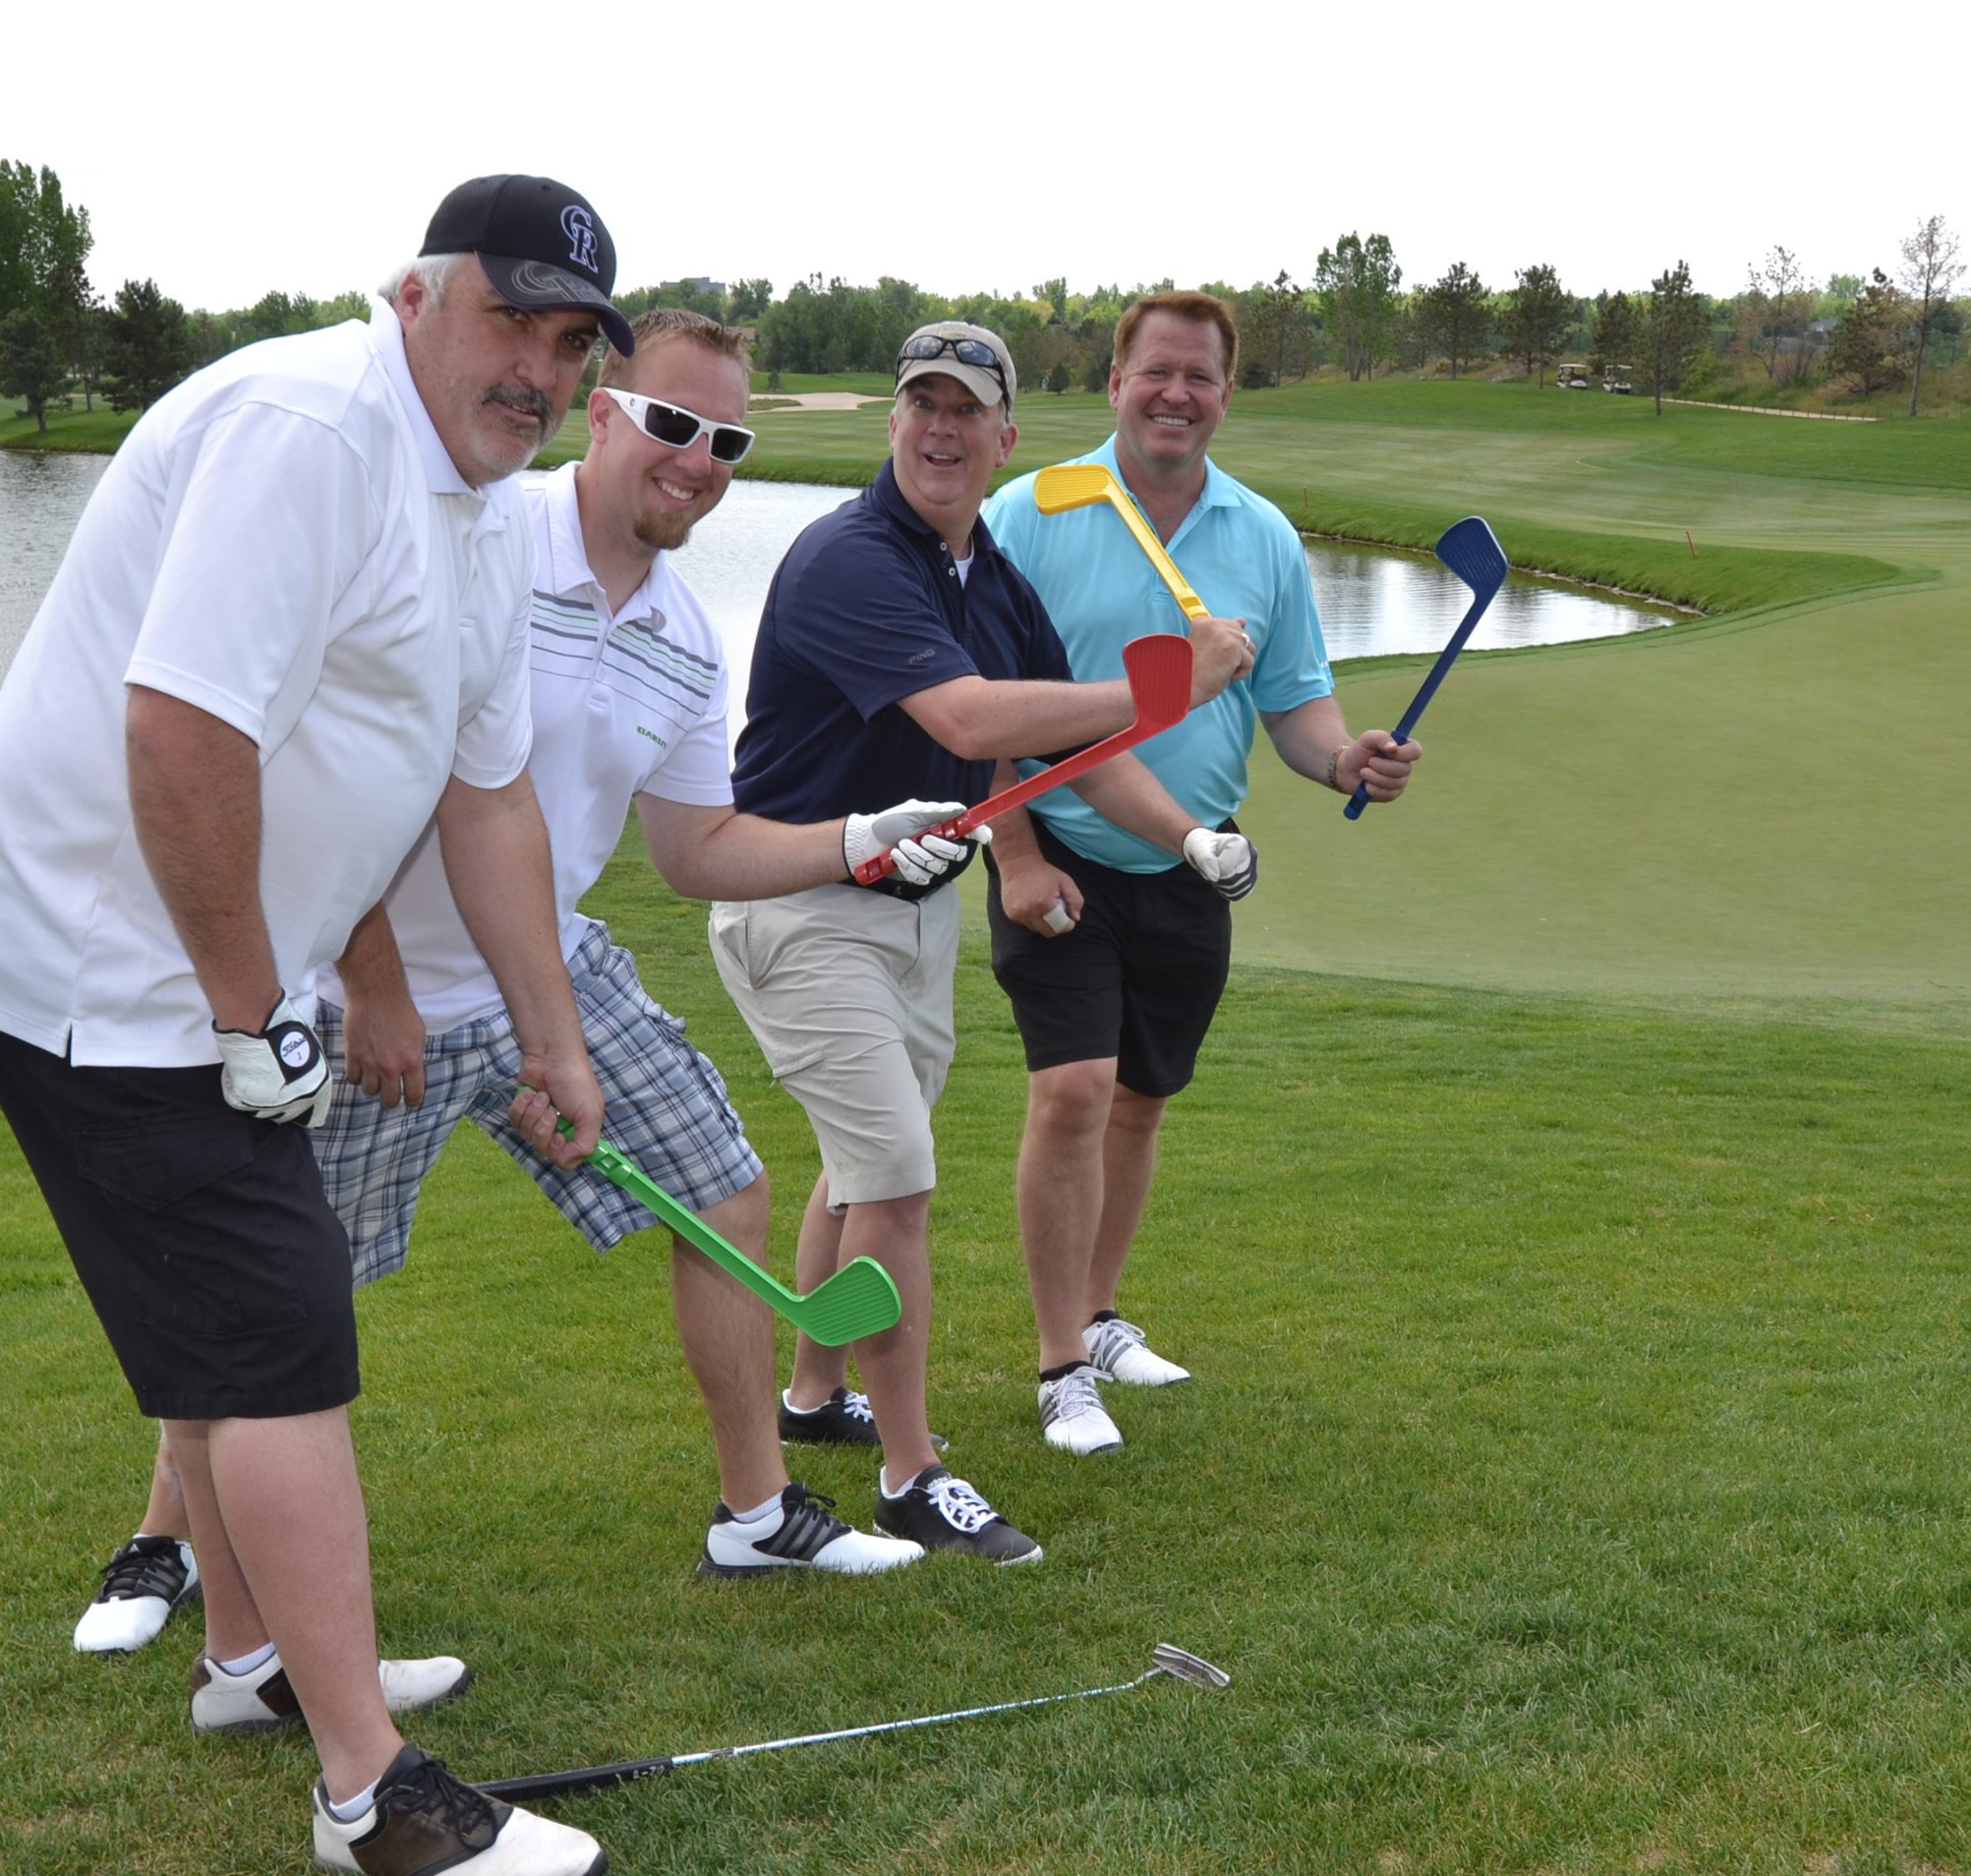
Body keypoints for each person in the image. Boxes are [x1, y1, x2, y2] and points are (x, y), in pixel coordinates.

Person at [70, 308, 973, 1637]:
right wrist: (373, 977)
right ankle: (164, 1544)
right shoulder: (487, 540)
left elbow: (698, 847)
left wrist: (857, 843)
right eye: (673, 423)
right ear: (604, 413)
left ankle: (757, 1512)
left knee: (721, 1188)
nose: (698, 460)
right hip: (361, 982)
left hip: (545, 973)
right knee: (268, 1289)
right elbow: (345, 762)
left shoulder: (683, 629)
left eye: (727, 439)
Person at [0, 172, 639, 1876]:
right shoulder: (310, 424)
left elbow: (486, 793)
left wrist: (550, 1035)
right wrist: (243, 1008)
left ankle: (242, 1658)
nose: (541, 366)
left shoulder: (481, 505)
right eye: (513, 316)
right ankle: (370, 1794)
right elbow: (182, 728)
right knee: (279, 1338)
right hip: (103, 971)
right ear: (416, 291)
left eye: (573, 339)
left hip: (206, 978)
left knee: (234, 1338)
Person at [710, 322, 1254, 1564]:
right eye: (920, 406)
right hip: (799, 899)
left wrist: (1185, 841)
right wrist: (1167, 687)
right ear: (895, 421)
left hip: (912, 910)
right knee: (896, 1180)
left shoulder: (987, 576)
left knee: (862, 1164)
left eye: (966, 410)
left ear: (1007, 436)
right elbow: (961, 717)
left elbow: (1060, 755)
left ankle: (811, 1397)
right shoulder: (852, 557)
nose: (940, 430)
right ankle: (912, 1474)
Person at [980, 291, 1422, 1456]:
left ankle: (1099, 1308)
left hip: (1194, 861)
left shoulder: (1262, 536)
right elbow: (974, 707)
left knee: (1137, 1101)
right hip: (1057, 846)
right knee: (1071, 1090)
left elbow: (1293, 706)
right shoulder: (1027, 511)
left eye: (1200, 377)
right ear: (1115, 379)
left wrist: (1343, 760)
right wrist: (1014, 851)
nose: (1175, 394)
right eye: (1154, 371)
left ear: (1226, 395)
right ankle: (1059, 1365)